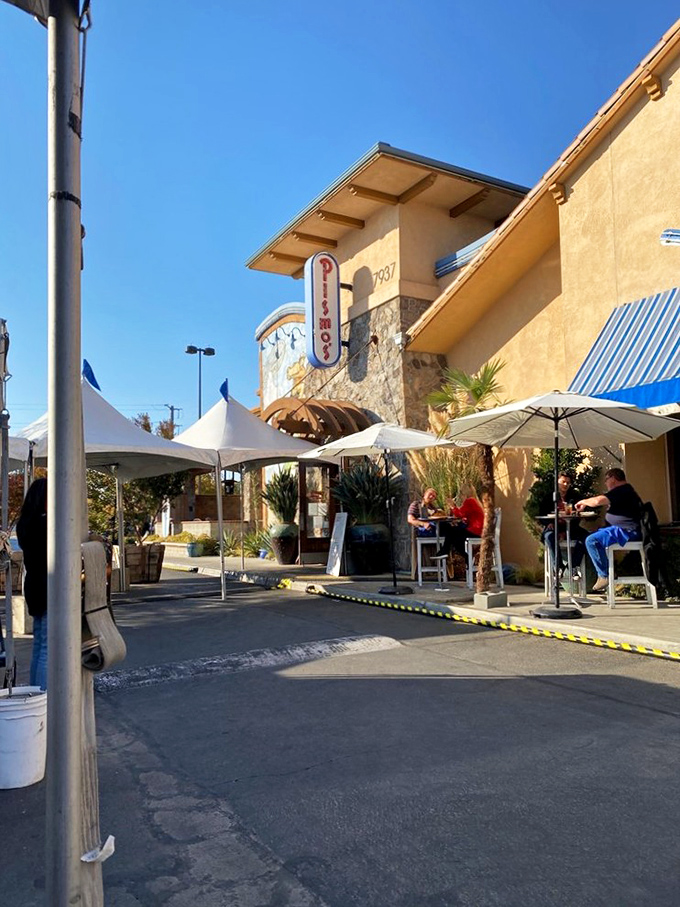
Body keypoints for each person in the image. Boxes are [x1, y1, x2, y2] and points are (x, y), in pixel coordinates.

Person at [575, 467, 642, 592]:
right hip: (620, 530)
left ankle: (604, 576)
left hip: (626, 531)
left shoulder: (622, 490)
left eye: (606, 479)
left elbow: (597, 501)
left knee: (591, 540)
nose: (605, 483)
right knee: (586, 538)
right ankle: (578, 569)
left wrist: (583, 502)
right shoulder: (624, 491)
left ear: (613, 478)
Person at [16, 478, 48, 690]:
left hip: (34, 585)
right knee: (47, 647)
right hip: (49, 585)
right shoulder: (47, 525)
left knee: (39, 644)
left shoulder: (25, 524)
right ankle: (44, 696)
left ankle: (36, 691)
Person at [538, 472, 586, 574]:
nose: (565, 485)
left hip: (571, 528)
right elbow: (542, 514)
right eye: (563, 482)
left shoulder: (574, 497)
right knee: (549, 537)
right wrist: (548, 523)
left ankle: (573, 566)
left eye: (568, 483)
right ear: (557, 482)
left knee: (586, 537)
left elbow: (578, 516)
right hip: (554, 527)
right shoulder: (549, 497)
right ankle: (558, 567)